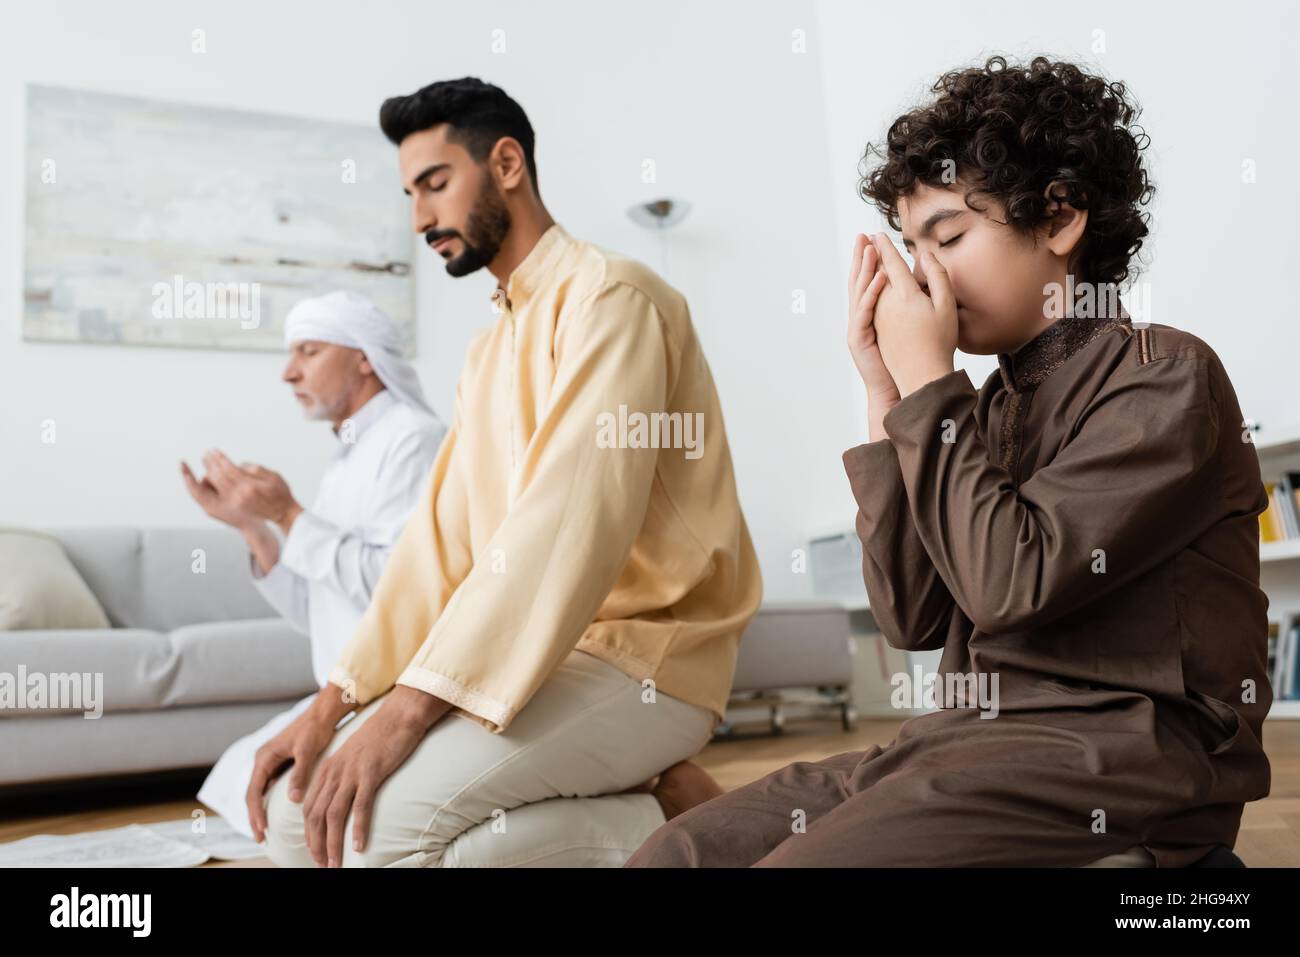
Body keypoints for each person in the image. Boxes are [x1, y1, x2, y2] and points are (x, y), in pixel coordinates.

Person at [627, 55, 1272, 868]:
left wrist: (930, 385)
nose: (922, 271)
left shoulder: (1164, 373)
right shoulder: (987, 406)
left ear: (1061, 219)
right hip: (965, 740)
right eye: (910, 244)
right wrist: (886, 392)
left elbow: (1010, 584)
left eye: (950, 236)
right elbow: (914, 617)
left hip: (1124, 756)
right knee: (679, 849)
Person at [252, 77, 762, 868]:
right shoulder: (488, 351)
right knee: (300, 822)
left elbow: (565, 525)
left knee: (385, 841)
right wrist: (339, 702)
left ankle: (676, 816)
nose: (420, 218)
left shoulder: (616, 299)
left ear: (507, 163)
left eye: (436, 184)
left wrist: (411, 710)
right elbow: (435, 551)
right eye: (410, 193)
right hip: (532, 660)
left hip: (643, 660)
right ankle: (653, 796)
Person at [183, 289, 446, 838]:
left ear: (364, 358)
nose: (288, 372)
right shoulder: (347, 456)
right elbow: (319, 612)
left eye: (308, 351)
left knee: (282, 804)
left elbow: (401, 596)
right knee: (240, 768)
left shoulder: (413, 441)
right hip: (341, 691)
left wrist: (288, 512)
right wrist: (253, 526)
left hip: (391, 695)